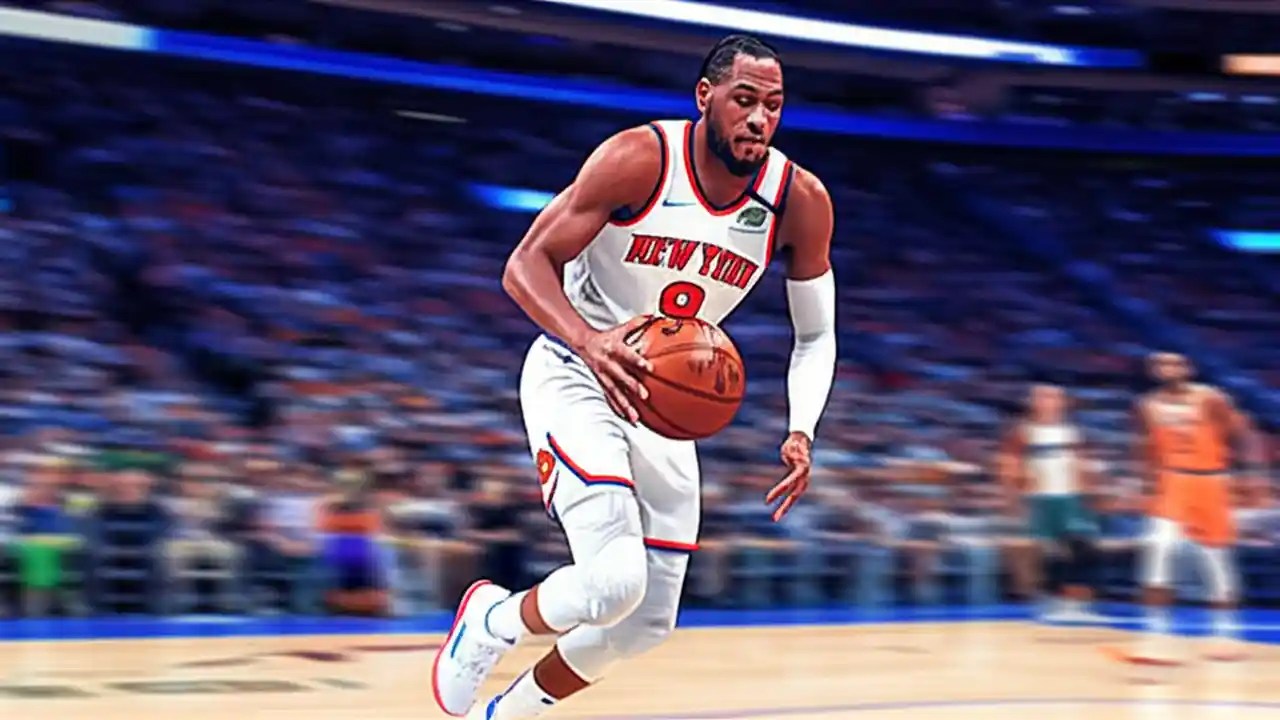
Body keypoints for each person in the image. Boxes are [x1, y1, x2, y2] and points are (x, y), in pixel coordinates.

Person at [431, 34, 837, 719]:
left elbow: (818, 332)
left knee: (647, 621)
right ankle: (491, 621)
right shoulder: (639, 158)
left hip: (662, 406)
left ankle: (510, 713)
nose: (759, 119)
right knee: (616, 581)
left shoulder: (799, 199)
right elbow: (524, 264)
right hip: (577, 368)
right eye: (744, 100)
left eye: (773, 105)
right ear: (705, 97)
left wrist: (802, 430)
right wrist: (589, 341)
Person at [1107, 352, 1269, 664]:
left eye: (1174, 363)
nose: (1167, 369)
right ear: (1153, 371)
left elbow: (1245, 434)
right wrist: (1140, 486)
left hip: (1211, 481)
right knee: (1157, 548)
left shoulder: (1210, 398)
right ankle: (1155, 639)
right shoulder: (1147, 406)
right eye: (1160, 364)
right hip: (1172, 481)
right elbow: (1145, 449)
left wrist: (1255, 476)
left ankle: (1226, 637)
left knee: (1216, 562)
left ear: (1189, 368)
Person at [998, 384, 1104, 624]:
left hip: (1071, 496)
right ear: (1033, 402)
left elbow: (1081, 462)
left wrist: (1089, 490)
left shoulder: (1071, 431)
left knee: (1082, 546)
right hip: (1041, 497)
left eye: (1054, 397)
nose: (1049, 401)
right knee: (1052, 551)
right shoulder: (1023, 431)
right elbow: (1009, 464)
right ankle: (1051, 601)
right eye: (1043, 397)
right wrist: (1013, 499)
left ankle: (1078, 603)